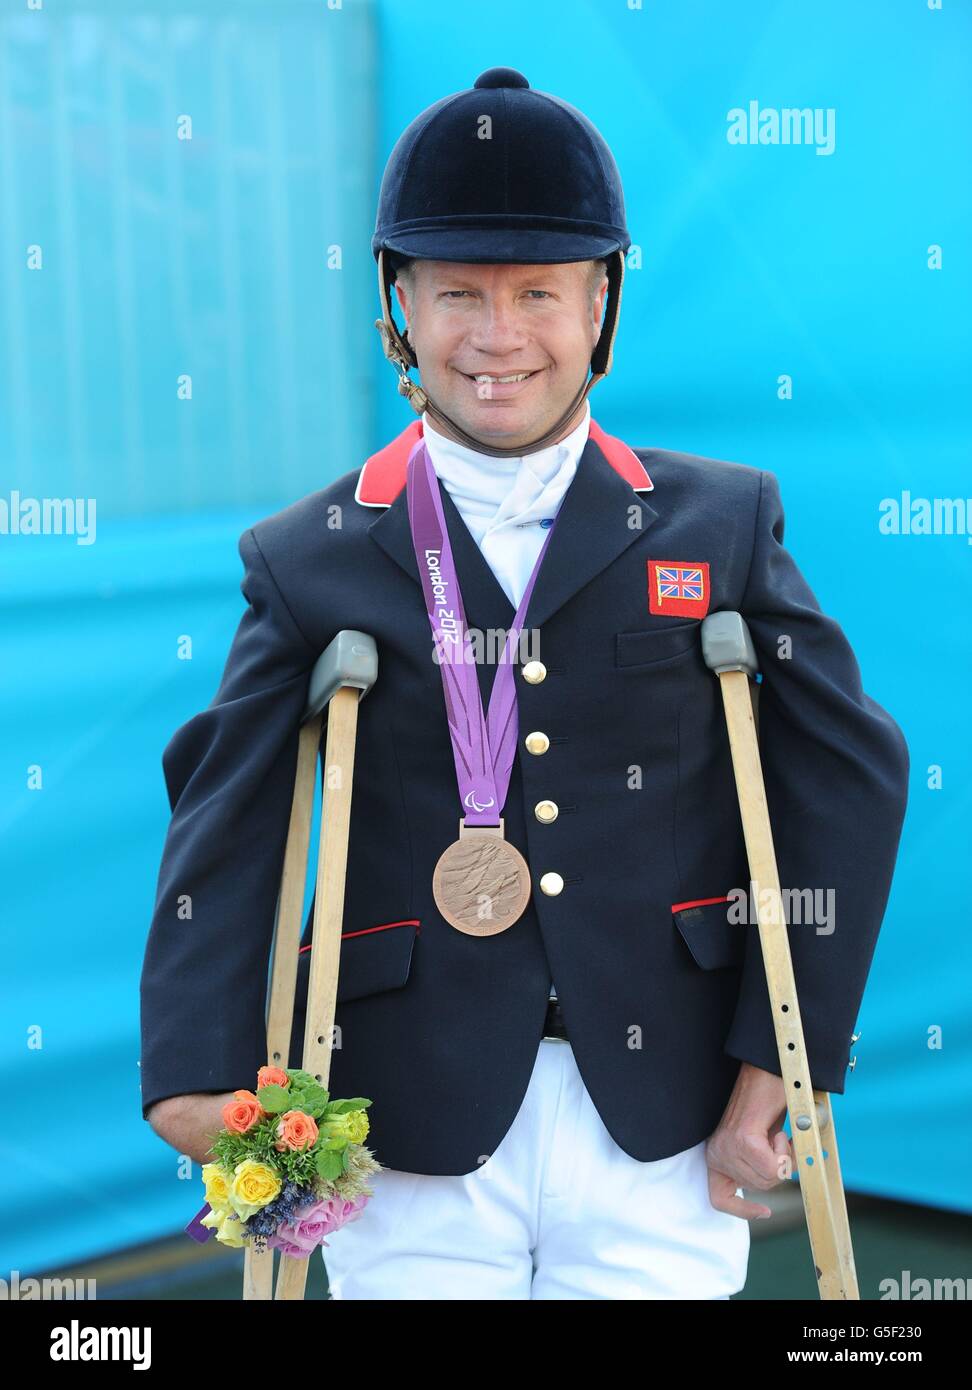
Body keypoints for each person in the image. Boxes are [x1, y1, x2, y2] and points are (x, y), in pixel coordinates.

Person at [140, 68, 910, 1300]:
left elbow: (849, 778)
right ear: (399, 305)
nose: (497, 339)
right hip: (405, 1121)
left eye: (540, 294)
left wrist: (783, 1059)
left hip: (664, 1113)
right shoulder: (309, 556)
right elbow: (225, 819)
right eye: (458, 295)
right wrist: (194, 1075)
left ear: (601, 304)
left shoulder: (718, 523)